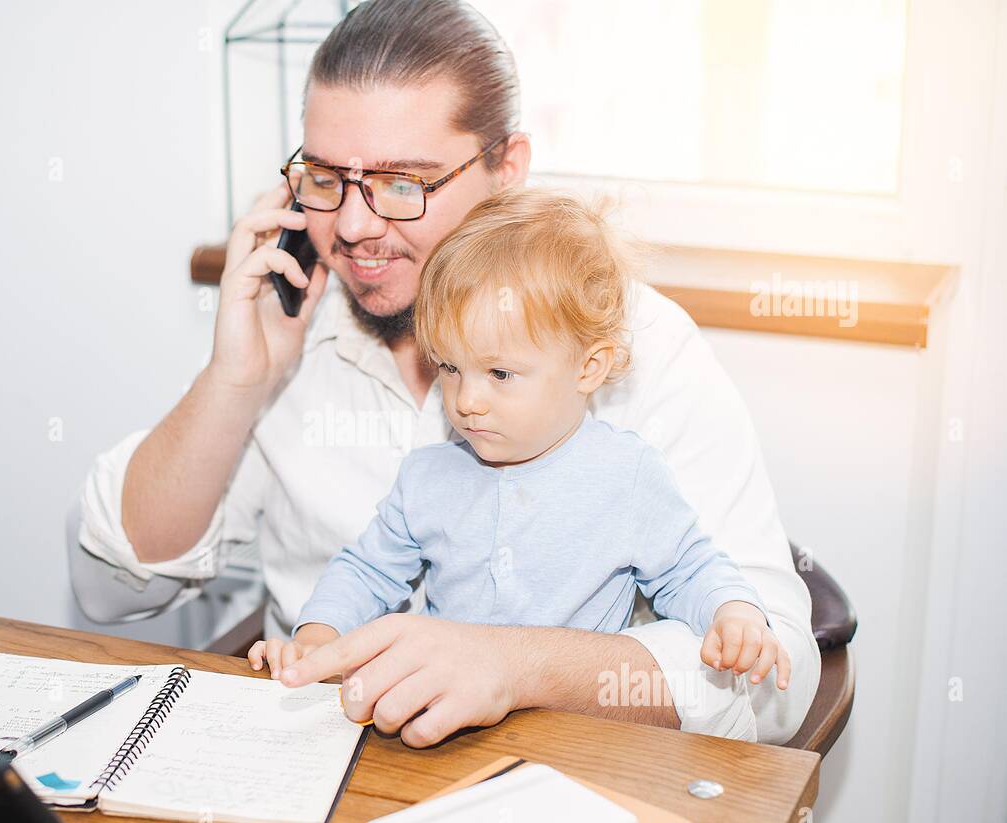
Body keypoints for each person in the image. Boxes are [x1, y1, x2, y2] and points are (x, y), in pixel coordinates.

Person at [73, 0, 818, 745]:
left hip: (571, 789)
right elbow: (109, 589)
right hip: (323, 772)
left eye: (403, 183)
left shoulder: (633, 342)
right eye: (328, 178)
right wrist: (235, 382)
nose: (357, 227)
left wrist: (519, 666)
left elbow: (779, 684)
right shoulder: (289, 335)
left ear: (507, 170)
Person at [247, 187, 793, 709]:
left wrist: (734, 613)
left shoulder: (625, 474)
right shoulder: (428, 476)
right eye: (451, 368)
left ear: (589, 367)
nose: (467, 402)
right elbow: (367, 571)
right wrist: (319, 635)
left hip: (578, 732)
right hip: (446, 723)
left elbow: (688, 569)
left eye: (500, 373)